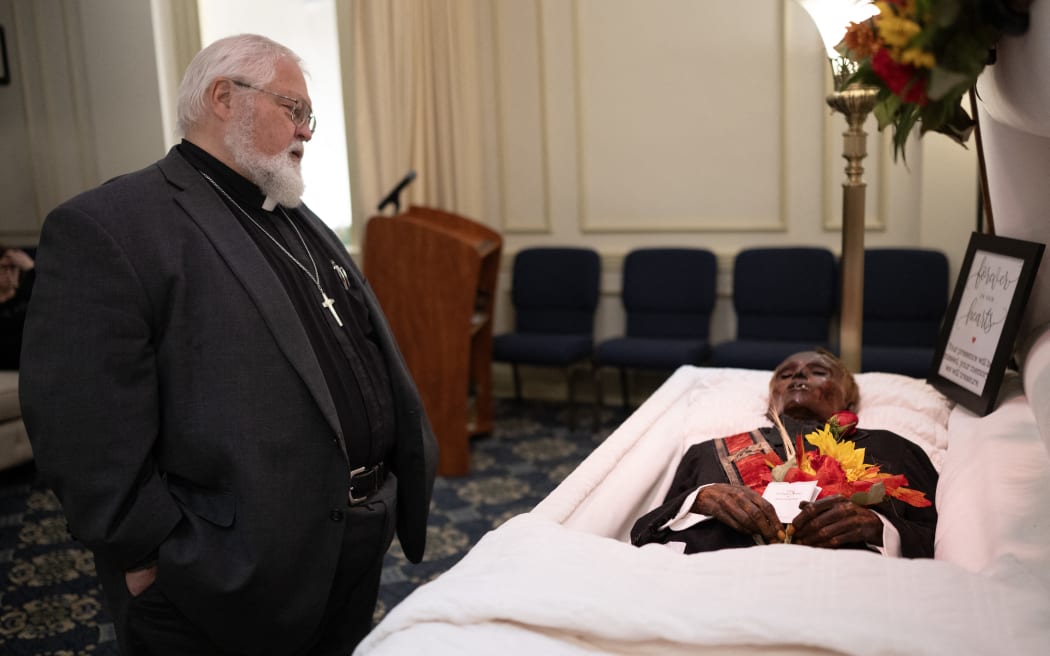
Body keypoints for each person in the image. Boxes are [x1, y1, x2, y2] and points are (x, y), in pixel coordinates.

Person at [20, 34, 437, 655]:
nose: (308, 131)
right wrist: (145, 547)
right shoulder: (112, 225)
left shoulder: (290, 212)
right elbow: (79, 423)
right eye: (294, 110)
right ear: (223, 97)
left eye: (308, 116)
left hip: (344, 540)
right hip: (222, 570)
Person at [631, 350, 938, 558]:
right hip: (716, 581)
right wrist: (698, 499)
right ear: (770, 399)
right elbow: (643, 532)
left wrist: (878, 528)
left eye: (818, 372)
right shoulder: (708, 451)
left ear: (849, 400)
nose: (798, 376)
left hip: (847, 586)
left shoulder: (894, 447)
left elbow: (938, 543)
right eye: (785, 375)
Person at [0, 246, 35, 369]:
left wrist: (29, 266)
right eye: (4, 267)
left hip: (23, 369)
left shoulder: (26, 298)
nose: (9, 272)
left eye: (13, 267)